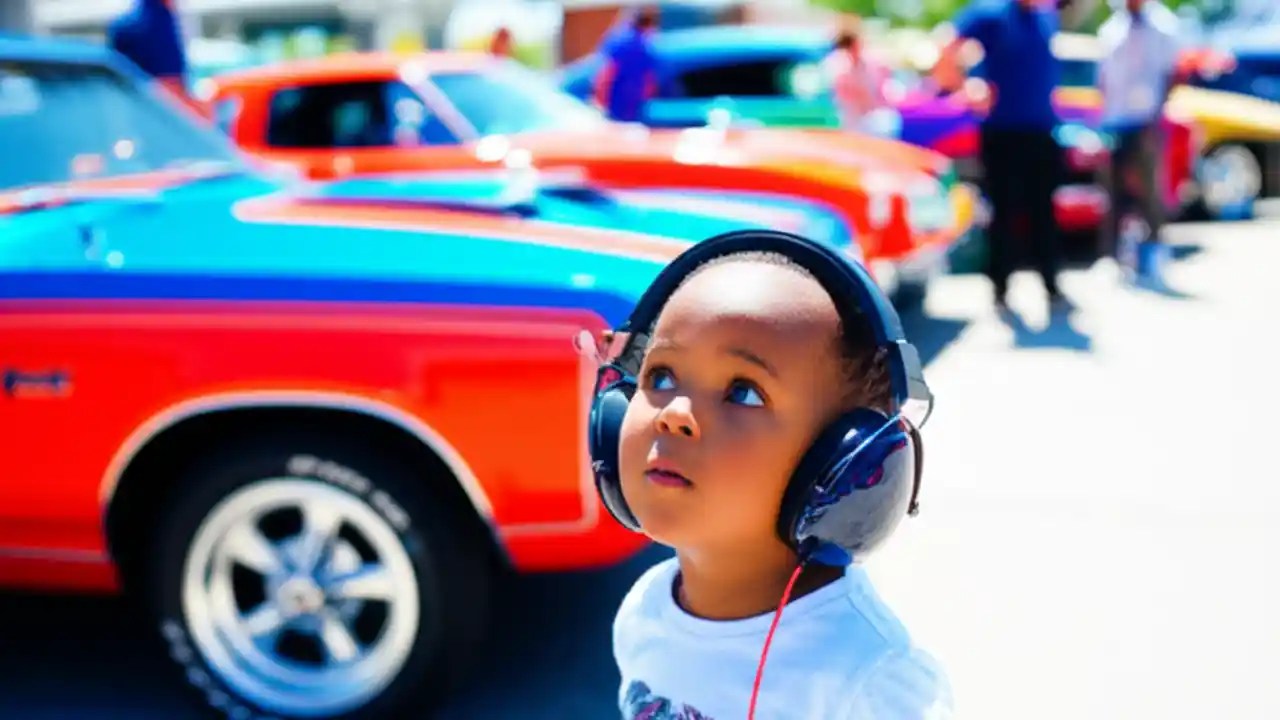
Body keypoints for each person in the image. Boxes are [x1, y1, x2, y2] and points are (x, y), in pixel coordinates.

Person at [588, 231, 952, 719]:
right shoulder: (646, 610)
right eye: (662, 376)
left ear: (839, 463)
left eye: (743, 392)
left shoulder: (870, 680)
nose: (674, 412)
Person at [940, 0, 1066, 310]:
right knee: (1004, 212)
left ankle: (1050, 283)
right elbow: (945, 47)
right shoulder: (991, 14)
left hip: (1041, 131)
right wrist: (965, 87)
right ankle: (1000, 287)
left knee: (1044, 212)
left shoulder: (1045, 16)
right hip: (1003, 132)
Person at [1096, 0, 1180, 286]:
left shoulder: (1162, 25)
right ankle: (1114, 256)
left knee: (1149, 189)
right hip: (1116, 119)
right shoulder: (1112, 27)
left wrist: (1158, 114)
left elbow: (1172, 72)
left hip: (1147, 118)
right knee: (1114, 190)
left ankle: (1154, 253)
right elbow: (1104, 77)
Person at [822, 27, 899, 138]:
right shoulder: (838, 64)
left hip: (873, 119)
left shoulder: (873, 63)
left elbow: (881, 88)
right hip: (853, 119)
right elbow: (843, 91)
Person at [593, 6, 660, 123]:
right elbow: (650, 81)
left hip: (617, 108)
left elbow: (604, 75)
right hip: (629, 109)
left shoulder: (619, 40)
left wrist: (600, 100)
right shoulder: (644, 46)